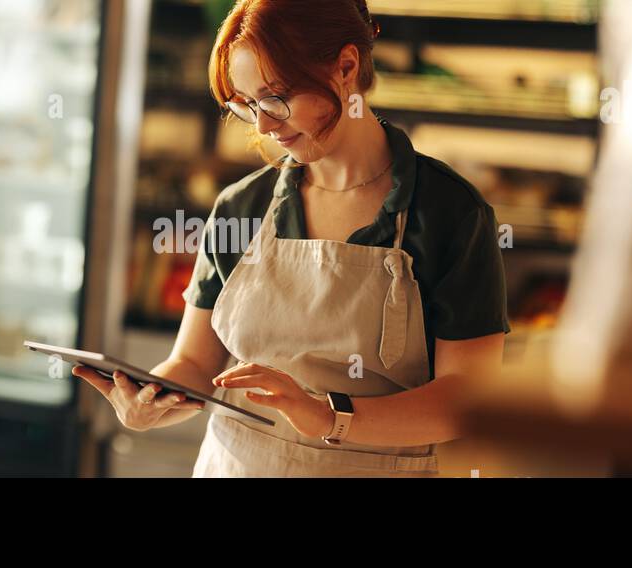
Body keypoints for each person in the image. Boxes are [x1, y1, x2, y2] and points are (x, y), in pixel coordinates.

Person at [75, 0, 509, 477]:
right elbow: (195, 364)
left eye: (276, 97)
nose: (262, 125)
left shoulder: (450, 214)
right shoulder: (241, 208)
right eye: (246, 103)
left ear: (346, 66)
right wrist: (149, 400)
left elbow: (465, 400)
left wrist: (328, 416)